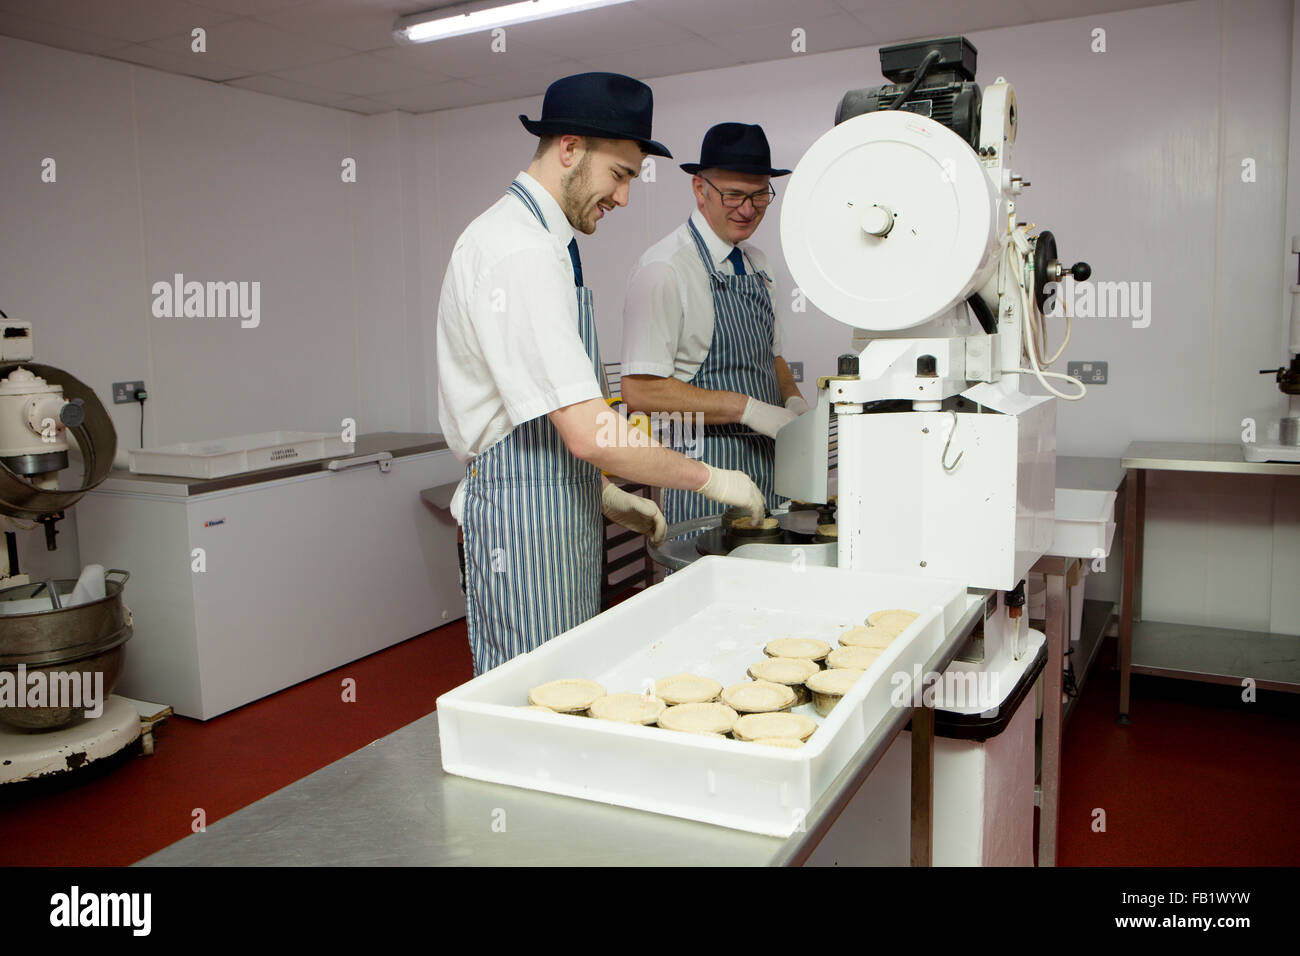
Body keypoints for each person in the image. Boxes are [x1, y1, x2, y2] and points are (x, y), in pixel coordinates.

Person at [436, 74, 765, 675]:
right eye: (620, 175)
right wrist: (711, 479)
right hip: (523, 526)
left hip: (557, 506)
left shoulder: (546, 244)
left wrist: (601, 494)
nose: (624, 198)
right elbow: (590, 432)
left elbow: (540, 408)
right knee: (535, 701)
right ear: (569, 148)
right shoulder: (521, 254)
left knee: (574, 684)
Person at [620, 122, 808, 527]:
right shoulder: (664, 269)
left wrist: (792, 400)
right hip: (706, 478)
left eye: (760, 195)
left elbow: (770, 355)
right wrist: (747, 409)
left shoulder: (758, 264)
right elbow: (639, 392)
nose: (747, 209)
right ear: (699, 188)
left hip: (770, 470)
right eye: (734, 195)